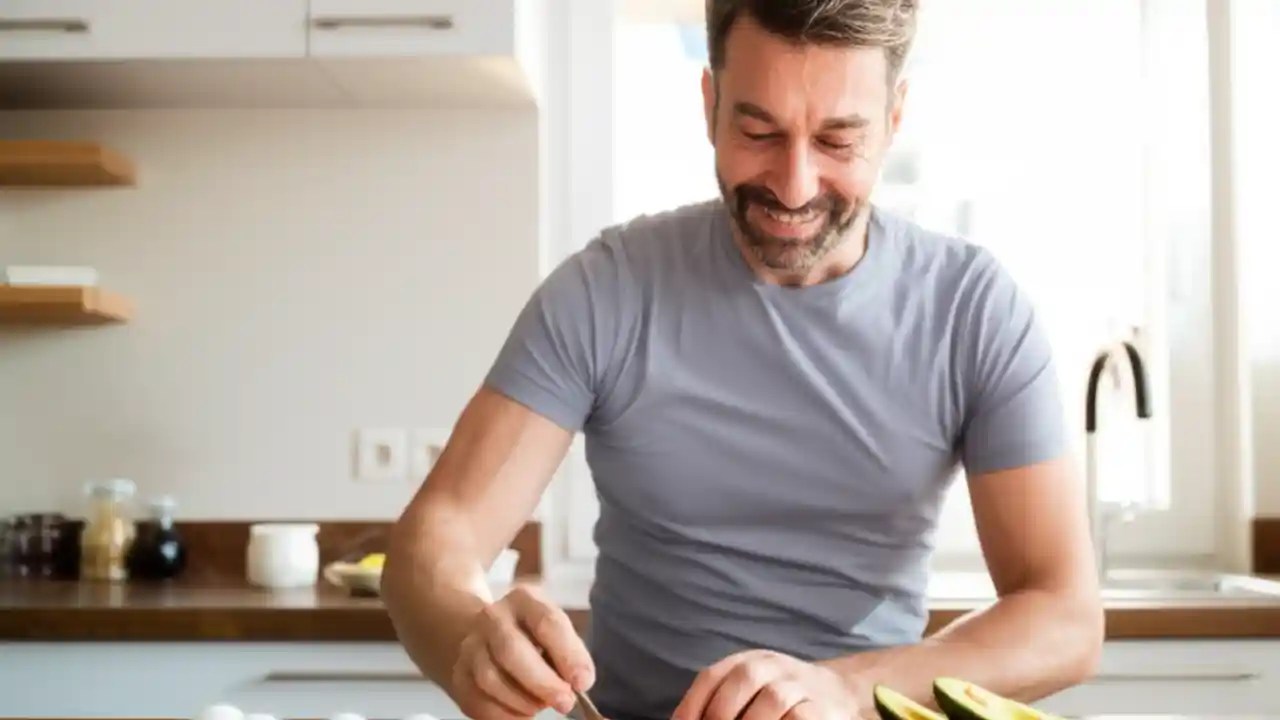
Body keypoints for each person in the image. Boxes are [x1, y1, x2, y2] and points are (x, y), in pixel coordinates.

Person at [382, 1, 1105, 719]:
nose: (794, 186)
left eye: (838, 141)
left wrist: (846, 689)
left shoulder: (972, 311)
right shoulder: (608, 290)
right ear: (711, 104)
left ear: (893, 120)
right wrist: (472, 636)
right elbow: (436, 538)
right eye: (758, 132)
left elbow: (1064, 615)